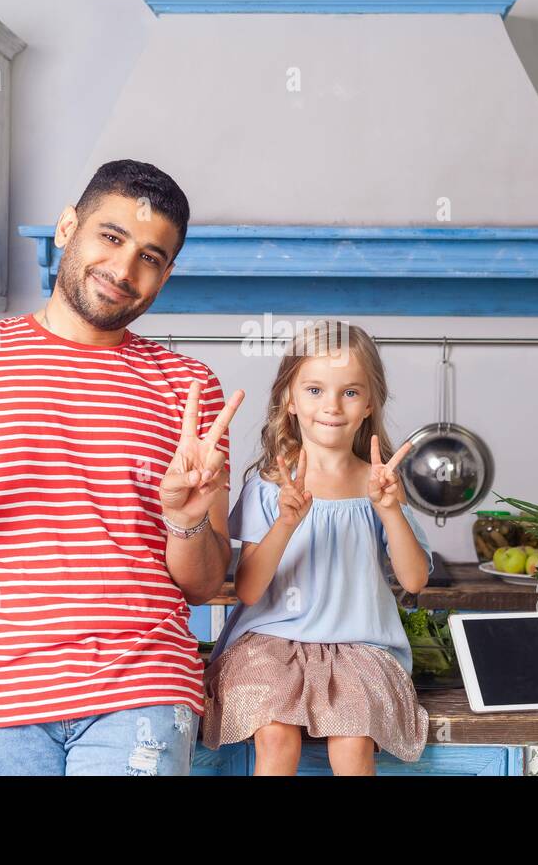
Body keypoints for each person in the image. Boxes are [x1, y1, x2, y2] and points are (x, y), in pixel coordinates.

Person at [0, 159, 244, 776]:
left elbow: (203, 584)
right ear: (67, 227)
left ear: (166, 274)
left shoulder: (191, 390)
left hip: (141, 689)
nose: (124, 270)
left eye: (151, 257)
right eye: (111, 236)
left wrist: (184, 522)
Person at [202, 320, 432, 775]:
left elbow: (414, 580)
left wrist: (389, 510)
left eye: (349, 392)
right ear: (289, 399)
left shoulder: (381, 485)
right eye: (314, 390)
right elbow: (247, 591)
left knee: (353, 743)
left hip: (360, 646)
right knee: (275, 736)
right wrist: (286, 523)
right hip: (271, 645)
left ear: (369, 403)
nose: (331, 405)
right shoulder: (270, 487)